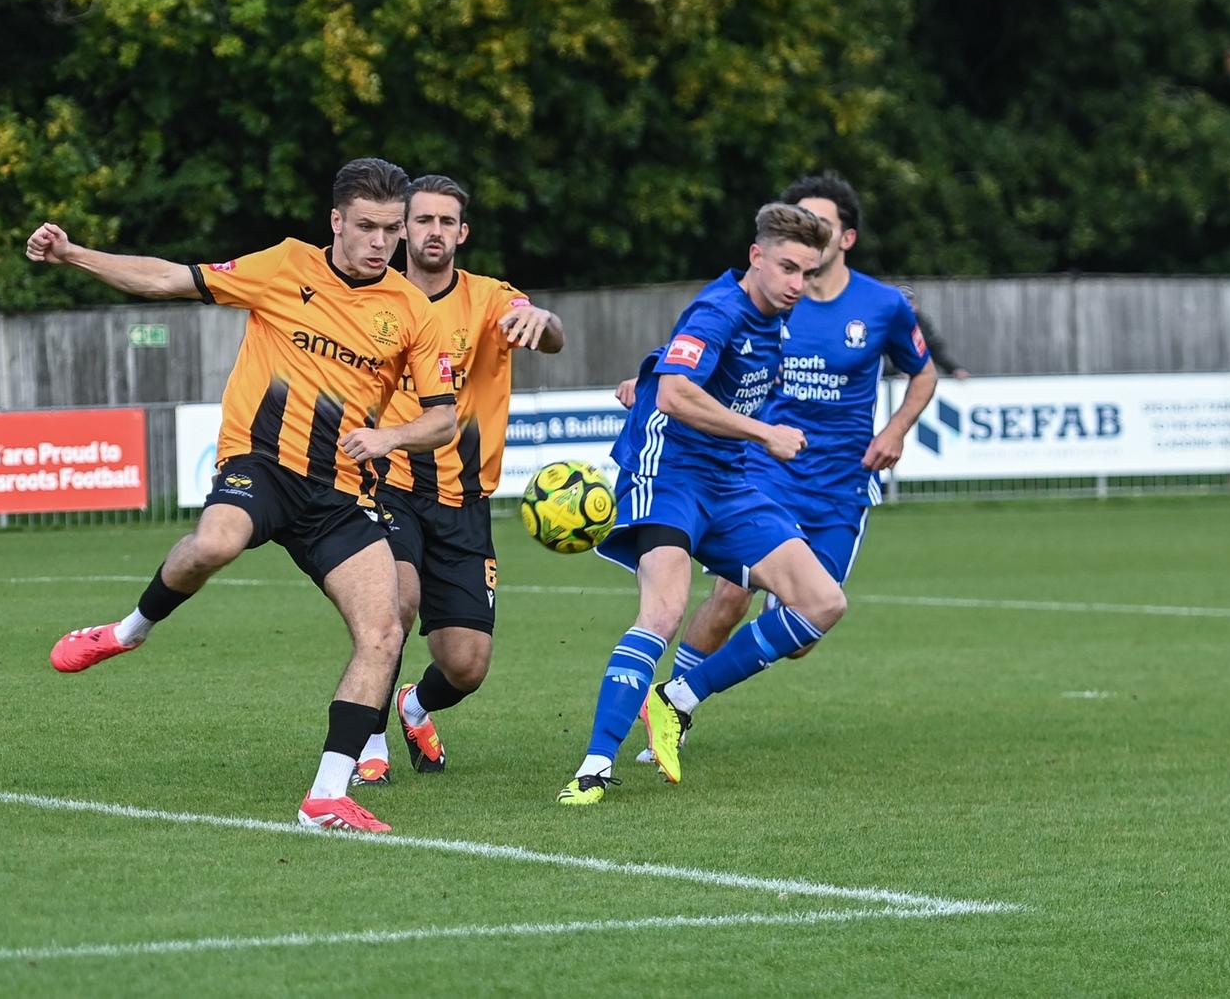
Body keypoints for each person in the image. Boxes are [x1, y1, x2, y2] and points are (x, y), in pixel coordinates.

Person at [26, 158, 457, 834]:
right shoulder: (284, 267)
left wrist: (391, 435)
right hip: (260, 462)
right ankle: (126, 631)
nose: (381, 242)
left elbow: (444, 419)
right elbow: (171, 278)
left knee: (384, 632)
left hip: (340, 492)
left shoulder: (409, 309)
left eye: (392, 230)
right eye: (368, 227)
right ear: (336, 222)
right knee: (216, 541)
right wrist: (74, 254)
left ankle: (324, 796)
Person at [628, 173, 936, 767]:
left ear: (843, 238)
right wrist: (644, 382)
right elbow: (697, 361)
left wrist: (895, 430)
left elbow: (922, 371)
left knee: (809, 621)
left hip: (840, 486)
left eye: (818, 225)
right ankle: (676, 709)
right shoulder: (765, 300)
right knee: (730, 594)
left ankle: (678, 696)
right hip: (762, 470)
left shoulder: (883, 305)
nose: (805, 235)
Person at [556, 202, 832, 806]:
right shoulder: (722, 308)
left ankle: (676, 699)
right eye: (786, 267)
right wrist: (763, 433)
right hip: (669, 474)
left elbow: (678, 361)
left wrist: (646, 372)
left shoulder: (775, 318)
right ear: (755, 256)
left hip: (727, 481)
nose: (796, 285)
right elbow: (679, 395)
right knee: (663, 612)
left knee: (822, 604)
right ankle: (596, 765)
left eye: (807, 274)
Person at [351, 174, 565, 787]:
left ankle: (413, 706)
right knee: (395, 603)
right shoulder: (374, 299)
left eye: (447, 221)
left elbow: (546, 333)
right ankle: (369, 742)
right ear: (402, 229)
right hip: (388, 485)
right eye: (422, 221)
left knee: (467, 664)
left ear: (462, 232)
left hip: (466, 502)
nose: (434, 231)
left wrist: (542, 320)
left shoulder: (491, 298)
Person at [894, 283, 968, 379]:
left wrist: (954, 369)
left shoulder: (921, 322)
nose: (907, 306)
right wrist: (896, 372)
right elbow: (878, 356)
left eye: (910, 302)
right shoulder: (884, 324)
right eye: (903, 302)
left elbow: (934, 349)